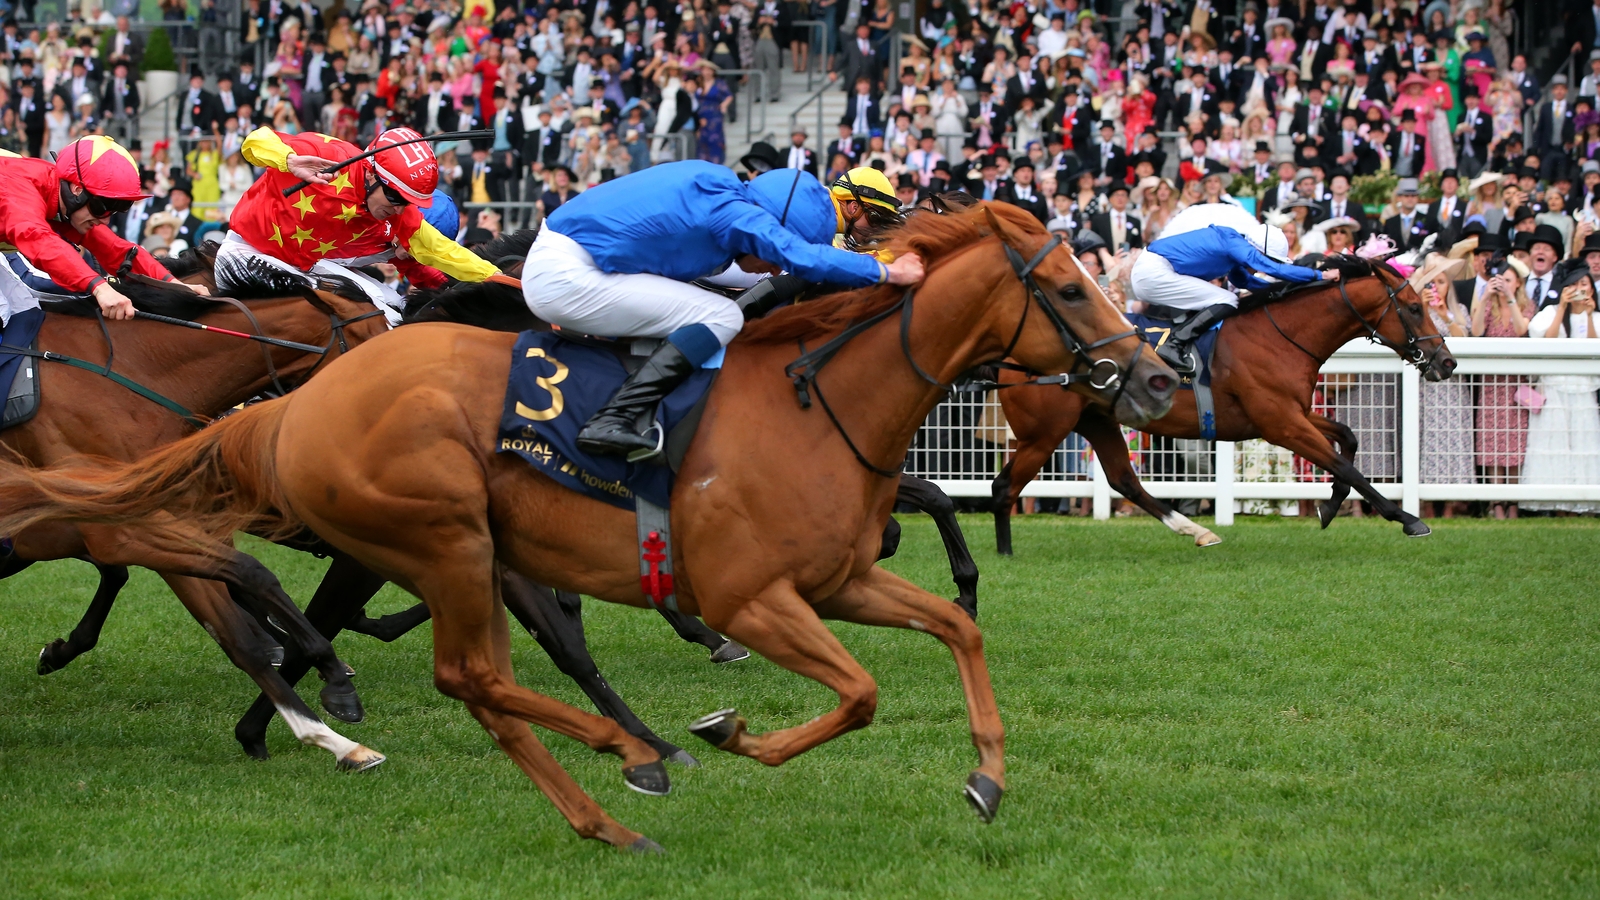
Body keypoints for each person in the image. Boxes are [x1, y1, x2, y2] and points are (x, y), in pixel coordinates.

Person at [522, 163, 925, 458]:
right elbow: (801, 258)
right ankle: (610, 420)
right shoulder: (738, 214)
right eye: (769, 252)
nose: (770, 266)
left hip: (564, 256)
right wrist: (887, 270)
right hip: (565, 275)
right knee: (723, 316)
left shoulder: (718, 182)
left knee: (694, 309)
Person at [217, 125, 499, 323]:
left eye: (408, 202)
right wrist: (287, 159)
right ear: (370, 173)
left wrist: (504, 280)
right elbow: (255, 140)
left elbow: (444, 254)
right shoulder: (330, 156)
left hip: (301, 266)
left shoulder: (397, 216)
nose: (398, 208)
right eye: (394, 197)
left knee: (398, 310)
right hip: (243, 255)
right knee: (370, 313)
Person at [0, 135, 204, 327]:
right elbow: (37, 238)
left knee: (25, 314)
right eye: (102, 206)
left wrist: (177, 286)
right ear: (76, 190)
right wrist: (100, 288)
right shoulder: (20, 187)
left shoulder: (62, 196)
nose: (105, 220)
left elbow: (116, 249)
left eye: (117, 209)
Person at [1130, 202, 1338, 375]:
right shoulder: (1235, 244)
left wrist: (1281, 293)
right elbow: (1273, 269)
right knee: (1227, 300)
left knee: (1224, 297)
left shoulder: (1234, 251)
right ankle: (1173, 345)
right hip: (1153, 272)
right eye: (1264, 260)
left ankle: (1189, 346)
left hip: (1152, 271)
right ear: (1258, 252)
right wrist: (1320, 275)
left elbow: (1245, 282)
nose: (1257, 269)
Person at [1521, 260, 1600, 513]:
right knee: (1552, 440)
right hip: (1554, 386)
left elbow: (1593, 348)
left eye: (1584, 285)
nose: (1580, 289)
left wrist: (1588, 314)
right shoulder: (1549, 313)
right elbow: (1548, 342)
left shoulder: (1596, 317)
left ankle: (1584, 501)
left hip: (1583, 387)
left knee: (1584, 440)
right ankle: (1552, 502)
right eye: (1574, 285)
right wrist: (1563, 307)